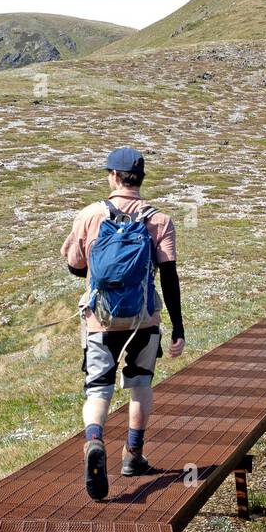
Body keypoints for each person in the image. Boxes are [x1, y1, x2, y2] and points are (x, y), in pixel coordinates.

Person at [61, 147, 184, 497]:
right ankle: (133, 455)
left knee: (98, 387)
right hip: (144, 319)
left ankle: (95, 440)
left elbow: (75, 266)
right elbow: (170, 278)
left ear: (113, 176)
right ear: (140, 178)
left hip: (100, 319)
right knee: (140, 384)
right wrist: (178, 327)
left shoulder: (90, 215)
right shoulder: (159, 220)